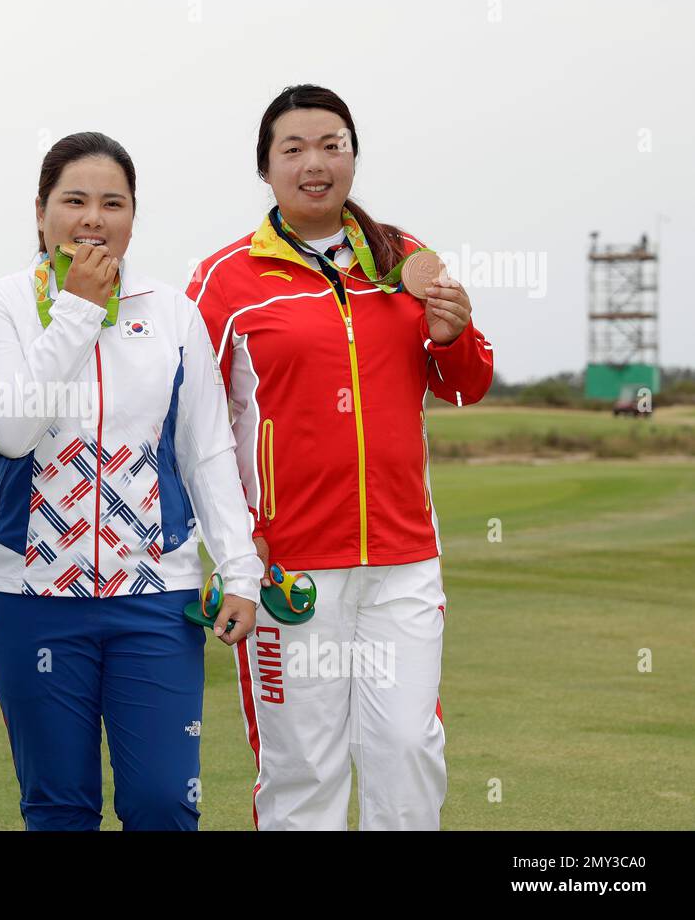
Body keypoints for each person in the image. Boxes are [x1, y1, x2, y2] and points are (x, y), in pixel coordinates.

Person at [188, 84, 495, 831]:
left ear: (355, 156)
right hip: (289, 569)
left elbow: (466, 386)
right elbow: (196, 432)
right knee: (304, 770)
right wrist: (234, 554)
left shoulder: (406, 258)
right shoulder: (224, 282)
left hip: (402, 560)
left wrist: (454, 336)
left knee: (406, 747)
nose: (315, 163)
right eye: (292, 149)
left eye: (333, 144)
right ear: (265, 168)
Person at [0, 132, 263, 831]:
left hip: (156, 597)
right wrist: (76, 309)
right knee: (60, 808)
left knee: (162, 803)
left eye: (112, 203)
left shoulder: (173, 312)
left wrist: (241, 569)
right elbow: (8, 430)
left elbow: (207, 449)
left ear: (133, 215)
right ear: (40, 212)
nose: (93, 218)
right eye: (74, 200)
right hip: (30, 596)